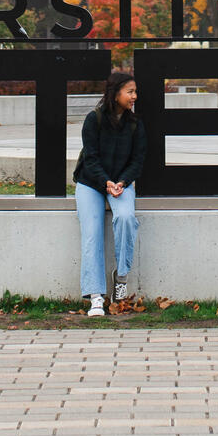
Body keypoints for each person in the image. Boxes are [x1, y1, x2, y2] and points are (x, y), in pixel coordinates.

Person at [73, 71, 144, 318]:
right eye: (130, 92)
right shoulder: (94, 120)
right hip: (91, 183)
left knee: (125, 218)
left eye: (135, 91)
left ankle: (121, 277)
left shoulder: (135, 124)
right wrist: (106, 182)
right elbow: (90, 159)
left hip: (121, 184)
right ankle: (95, 296)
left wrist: (122, 182)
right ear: (115, 94)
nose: (134, 96)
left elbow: (138, 161)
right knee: (92, 233)